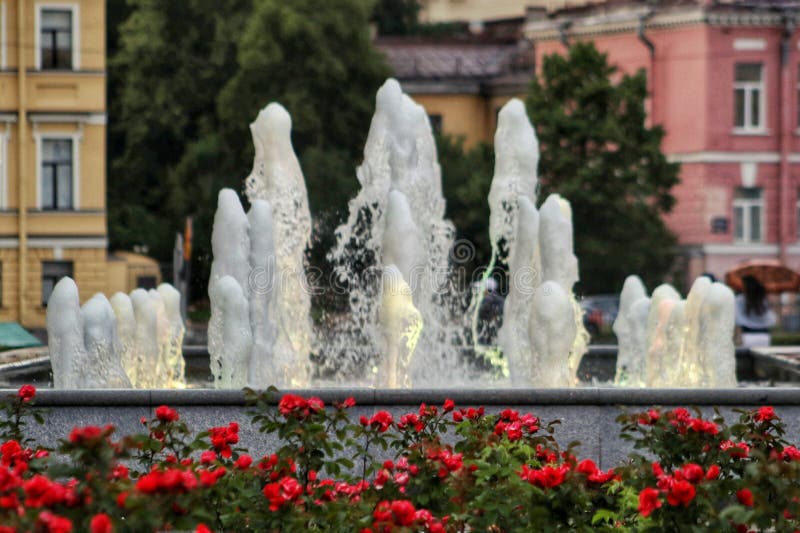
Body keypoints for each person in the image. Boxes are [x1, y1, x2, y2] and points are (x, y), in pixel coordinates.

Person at [734, 275, 776, 348]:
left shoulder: (740, 299)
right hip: (764, 336)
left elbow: (737, 320)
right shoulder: (762, 299)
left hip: (747, 336)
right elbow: (771, 319)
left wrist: (737, 337)